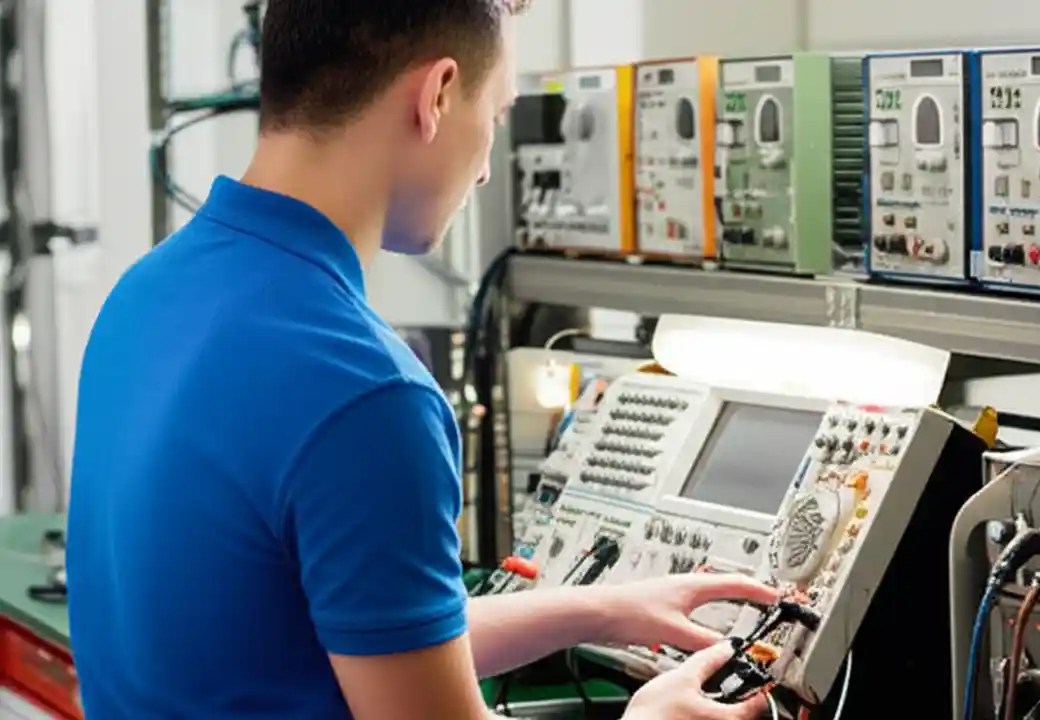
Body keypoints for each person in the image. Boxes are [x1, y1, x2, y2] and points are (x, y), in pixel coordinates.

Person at [66, 1, 779, 718]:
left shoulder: (145, 294)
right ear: (436, 96)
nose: (484, 169)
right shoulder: (366, 396)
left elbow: (363, 640)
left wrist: (600, 608)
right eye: (495, 115)